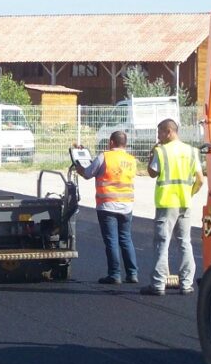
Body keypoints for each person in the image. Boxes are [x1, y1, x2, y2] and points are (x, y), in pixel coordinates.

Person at [141, 119, 203, 296]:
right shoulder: (191, 151)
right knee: (185, 242)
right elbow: (200, 179)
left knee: (162, 242)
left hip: (167, 203)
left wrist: (152, 155)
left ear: (169, 132)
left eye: (160, 132)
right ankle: (186, 284)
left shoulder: (161, 152)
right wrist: (189, 194)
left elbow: (152, 173)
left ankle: (158, 284)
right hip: (184, 203)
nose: (158, 136)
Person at [75, 131, 140, 285]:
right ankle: (132, 273)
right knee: (126, 239)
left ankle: (114, 274)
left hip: (107, 204)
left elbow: (88, 173)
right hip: (127, 205)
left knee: (111, 240)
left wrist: (80, 167)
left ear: (111, 142)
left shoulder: (104, 156)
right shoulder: (131, 160)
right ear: (125, 143)